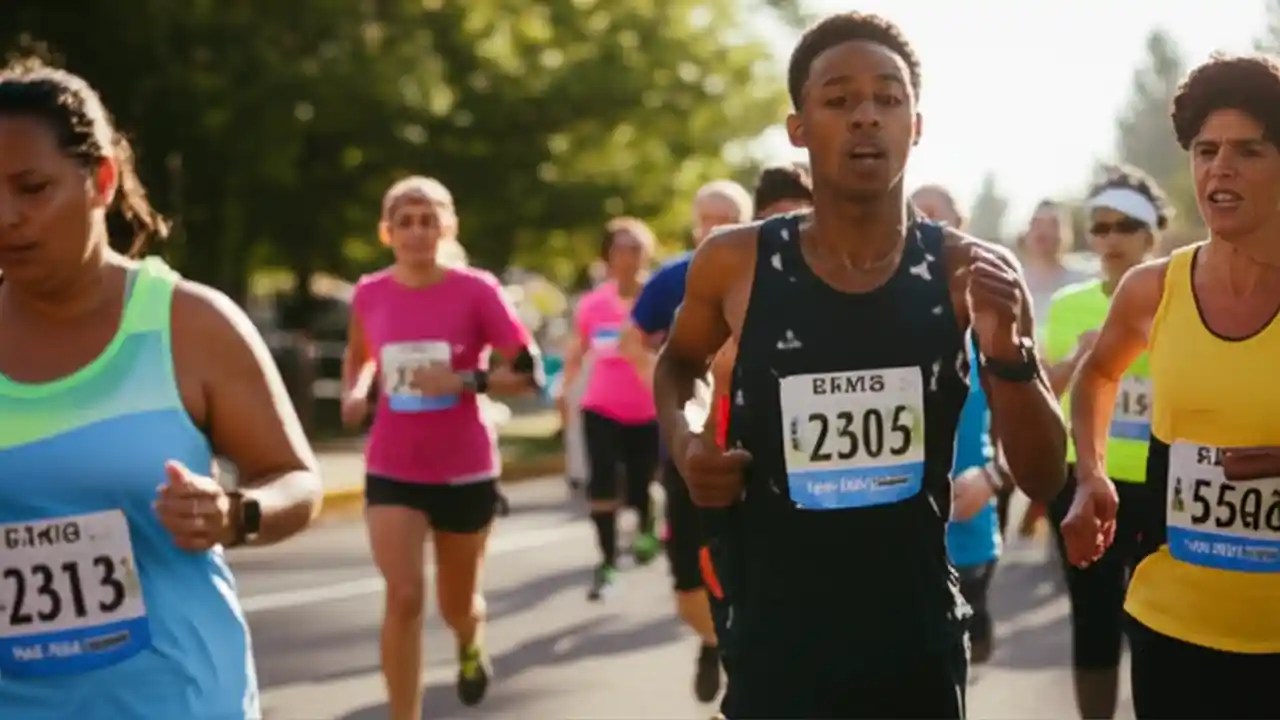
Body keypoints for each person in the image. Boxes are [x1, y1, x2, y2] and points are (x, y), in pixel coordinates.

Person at [654, 13, 1067, 718]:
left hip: (913, 632)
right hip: (774, 630)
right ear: (798, 127)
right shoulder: (737, 260)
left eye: (887, 98)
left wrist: (1007, 356)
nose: (866, 117)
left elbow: (1044, 476)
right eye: (839, 100)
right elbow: (679, 367)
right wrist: (690, 440)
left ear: (917, 123)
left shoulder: (970, 271)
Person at [0, 59, 323, 719]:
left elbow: (293, 477)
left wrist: (237, 514)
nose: (6, 216)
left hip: (179, 701)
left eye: (33, 188)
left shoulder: (191, 325)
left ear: (101, 181)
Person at [1062, 53, 1280, 720]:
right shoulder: (1152, 289)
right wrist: (1092, 475)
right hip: (1172, 626)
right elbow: (1097, 373)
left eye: (1249, 150)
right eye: (1206, 149)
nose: (1221, 167)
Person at [339, 176, 545, 719]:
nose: (417, 231)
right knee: (404, 596)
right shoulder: (369, 292)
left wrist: (462, 380)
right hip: (393, 466)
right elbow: (360, 357)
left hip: (464, 469)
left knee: (457, 606)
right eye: (405, 221)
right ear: (387, 232)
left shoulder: (477, 290)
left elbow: (528, 375)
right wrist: (355, 393)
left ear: (447, 227)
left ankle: (470, 641)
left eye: (428, 219)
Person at [1044, 165, 1169, 719]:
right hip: (1085, 475)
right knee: (1092, 616)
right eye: (1100, 228)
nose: (1111, 240)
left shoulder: (1178, 296)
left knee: (1156, 618)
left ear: (1150, 236)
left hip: (1159, 477)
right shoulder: (1070, 305)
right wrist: (1080, 359)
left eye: (1125, 227)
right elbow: (1047, 392)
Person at [625, 178, 754, 704]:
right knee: (687, 589)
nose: (715, 228)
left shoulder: (768, 272)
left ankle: (746, 666)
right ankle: (713, 641)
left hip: (755, 453)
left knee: (748, 573)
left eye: (727, 218)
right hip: (685, 453)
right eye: (706, 219)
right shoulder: (672, 278)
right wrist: (671, 401)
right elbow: (635, 344)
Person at [912, 184, 1007, 665]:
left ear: (958, 228)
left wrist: (992, 477)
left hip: (969, 518)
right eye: (915, 214)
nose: (922, 223)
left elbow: (1034, 410)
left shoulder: (986, 313)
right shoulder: (886, 313)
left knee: (960, 648)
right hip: (900, 527)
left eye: (934, 215)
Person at [561, 217, 661, 599]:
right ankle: (606, 560)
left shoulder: (659, 297)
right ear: (607, 255)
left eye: (636, 247)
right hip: (600, 406)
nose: (628, 256)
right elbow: (576, 353)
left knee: (640, 486)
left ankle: (650, 523)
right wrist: (564, 394)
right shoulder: (592, 304)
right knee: (601, 483)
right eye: (620, 248)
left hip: (648, 408)